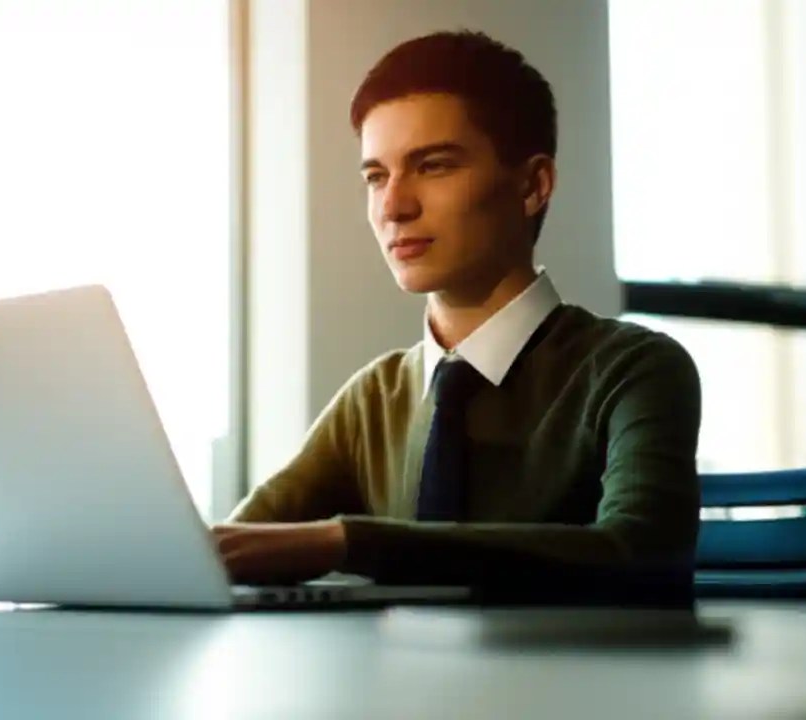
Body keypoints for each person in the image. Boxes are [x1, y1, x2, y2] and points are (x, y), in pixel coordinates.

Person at [212, 30, 702, 597]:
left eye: (433, 166)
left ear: (532, 185)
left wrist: (347, 542)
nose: (394, 206)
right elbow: (234, 548)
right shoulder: (372, 400)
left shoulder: (631, 370)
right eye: (376, 176)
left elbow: (643, 552)